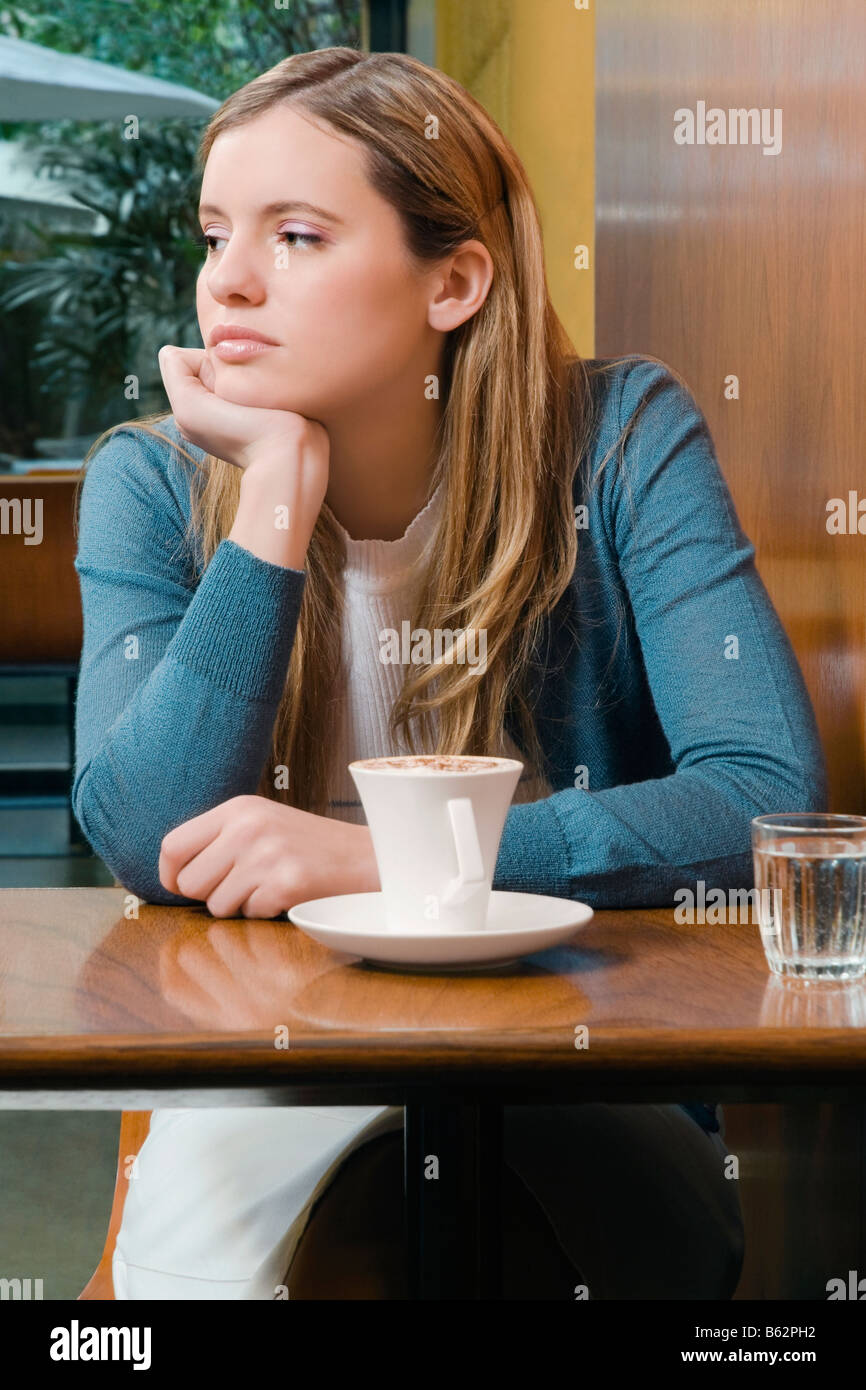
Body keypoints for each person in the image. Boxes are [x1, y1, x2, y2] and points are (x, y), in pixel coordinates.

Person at [72, 46, 825, 1299]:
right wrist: (273, 503)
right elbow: (150, 837)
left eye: (297, 236)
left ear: (455, 281)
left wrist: (383, 860)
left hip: (576, 1068)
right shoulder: (152, 483)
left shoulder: (622, 440)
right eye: (214, 237)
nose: (229, 284)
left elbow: (761, 798)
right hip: (264, 1067)